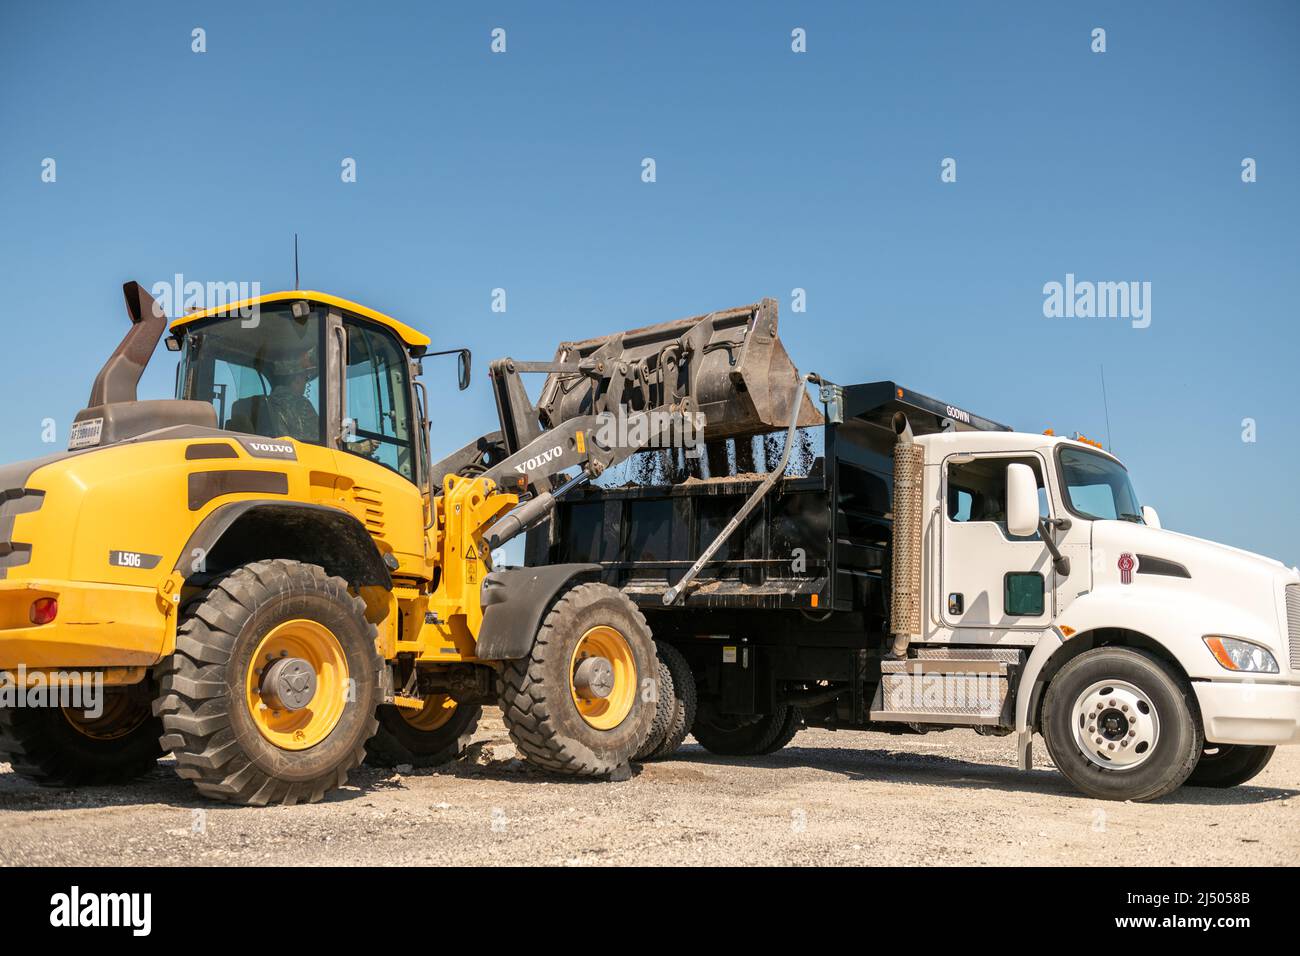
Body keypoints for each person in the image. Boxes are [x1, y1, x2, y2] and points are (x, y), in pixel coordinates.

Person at [266, 356, 320, 442]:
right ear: (297, 380)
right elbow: (319, 438)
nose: (306, 383)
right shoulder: (302, 404)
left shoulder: (268, 402)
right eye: (306, 378)